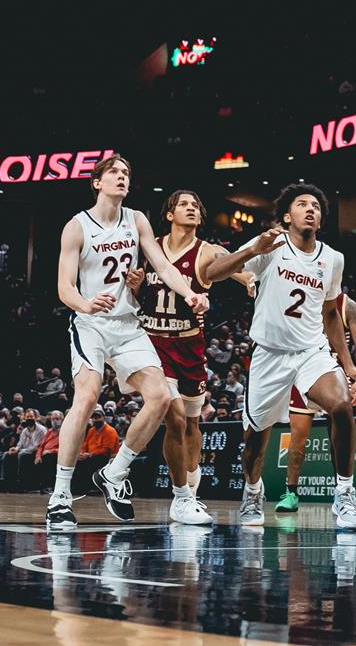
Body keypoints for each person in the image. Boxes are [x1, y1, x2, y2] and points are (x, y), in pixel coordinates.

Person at [45, 154, 208, 531]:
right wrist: (86, 303)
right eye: (114, 173)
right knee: (86, 397)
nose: (121, 178)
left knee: (162, 397)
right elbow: (64, 287)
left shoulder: (136, 220)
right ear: (97, 182)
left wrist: (190, 294)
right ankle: (60, 496)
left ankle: (114, 473)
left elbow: (163, 266)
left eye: (126, 174)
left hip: (128, 325)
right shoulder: (76, 227)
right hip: (90, 323)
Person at [229, 183, 356, 531]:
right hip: (269, 355)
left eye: (316, 206)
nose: (311, 209)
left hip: (311, 351)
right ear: (287, 216)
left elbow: (332, 315)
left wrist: (348, 364)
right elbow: (212, 272)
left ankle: (345, 496)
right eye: (302, 204)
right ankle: (252, 491)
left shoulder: (333, 259)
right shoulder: (270, 246)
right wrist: (249, 253)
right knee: (255, 440)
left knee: (340, 405)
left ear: (320, 219)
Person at [129, 188, 249, 526]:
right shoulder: (150, 247)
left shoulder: (207, 251)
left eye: (196, 205)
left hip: (190, 344)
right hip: (154, 343)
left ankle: (191, 487)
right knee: (176, 417)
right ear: (169, 214)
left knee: (192, 422)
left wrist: (250, 278)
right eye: (184, 205)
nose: (192, 209)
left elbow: (233, 266)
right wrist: (135, 287)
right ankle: (180, 496)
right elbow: (138, 296)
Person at [280, 288, 356, 513]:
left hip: (334, 373)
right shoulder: (299, 297)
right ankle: (290, 492)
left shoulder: (347, 305)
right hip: (304, 369)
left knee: (337, 434)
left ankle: (342, 491)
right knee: (298, 437)